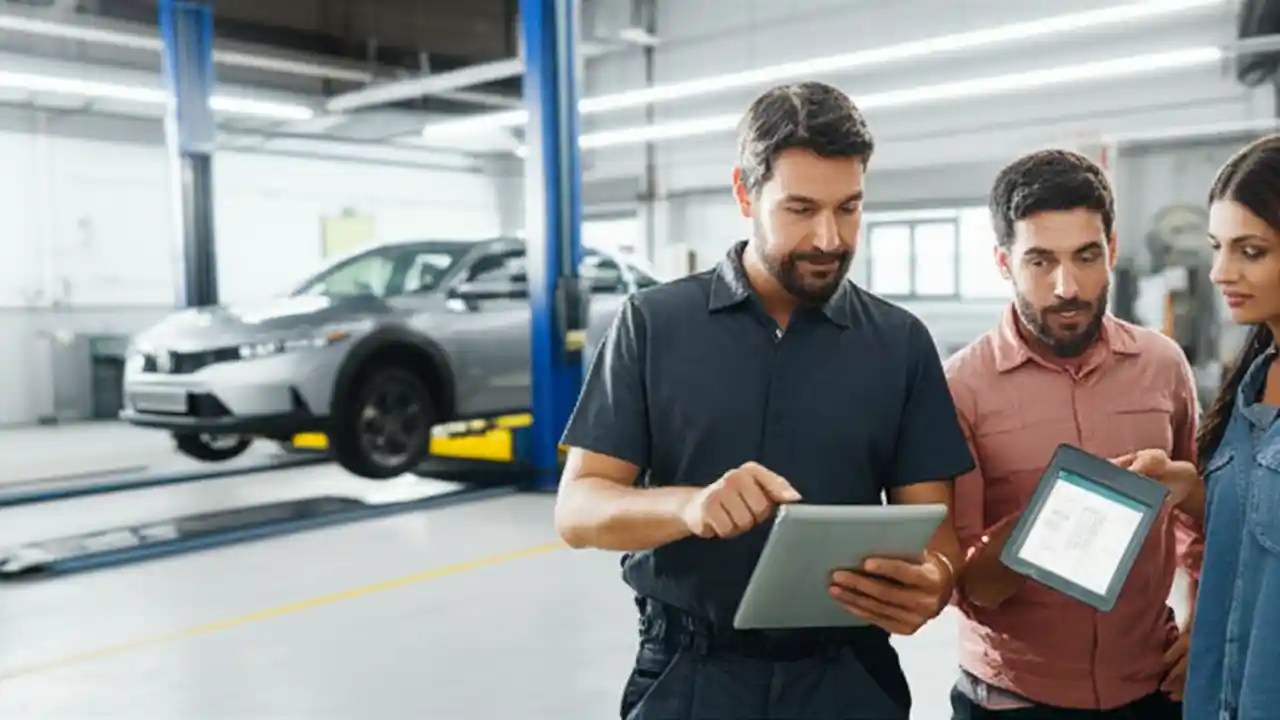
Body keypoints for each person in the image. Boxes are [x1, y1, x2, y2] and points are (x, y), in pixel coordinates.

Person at [552, 80, 975, 720]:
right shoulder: (652, 325)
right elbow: (579, 509)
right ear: (745, 193)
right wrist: (690, 507)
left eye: (849, 208)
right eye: (800, 210)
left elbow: (936, 531)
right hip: (689, 675)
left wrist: (936, 581)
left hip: (850, 678)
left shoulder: (901, 344)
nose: (830, 238)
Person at [943, 149, 1204, 719]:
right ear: (1003, 262)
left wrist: (1202, 622)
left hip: (1152, 690)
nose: (1067, 287)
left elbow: (1200, 513)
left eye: (1086, 257)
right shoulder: (961, 387)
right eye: (1040, 262)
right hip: (1013, 700)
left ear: (1110, 251)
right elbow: (965, 580)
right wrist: (1047, 523)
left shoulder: (1163, 365)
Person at [1116, 134, 1280, 720]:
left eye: (1250, 251)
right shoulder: (1251, 383)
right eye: (1217, 247)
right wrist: (1188, 488)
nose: (1219, 272)